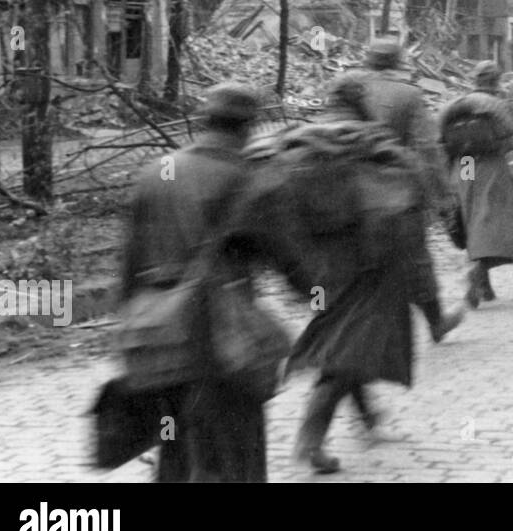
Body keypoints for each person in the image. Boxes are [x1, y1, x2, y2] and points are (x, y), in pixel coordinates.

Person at [119, 83, 293, 482]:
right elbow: (286, 257)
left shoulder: (156, 172)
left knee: (175, 444)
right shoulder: (249, 179)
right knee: (234, 453)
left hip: (157, 338)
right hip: (221, 341)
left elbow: (128, 265)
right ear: (250, 126)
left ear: (202, 121)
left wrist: (128, 332)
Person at [269, 77, 435, 475]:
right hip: (370, 265)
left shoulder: (300, 143)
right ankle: (311, 440)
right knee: (350, 350)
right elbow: (411, 196)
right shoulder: (369, 143)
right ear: (360, 102)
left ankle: (369, 419)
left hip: (320, 267)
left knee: (347, 340)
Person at [343, 38, 462, 343]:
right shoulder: (408, 95)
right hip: (397, 194)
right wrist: (443, 196)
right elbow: (428, 149)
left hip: (349, 192)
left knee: (352, 262)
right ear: (397, 62)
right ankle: (436, 323)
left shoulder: (347, 88)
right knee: (415, 259)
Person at [442, 61, 513, 307]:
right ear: (496, 81)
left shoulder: (456, 104)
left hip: (465, 164)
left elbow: (439, 139)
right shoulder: (498, 104)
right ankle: (478, 269)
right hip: (490, 164)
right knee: (490, 218)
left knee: (471, 215)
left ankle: (484, 285)